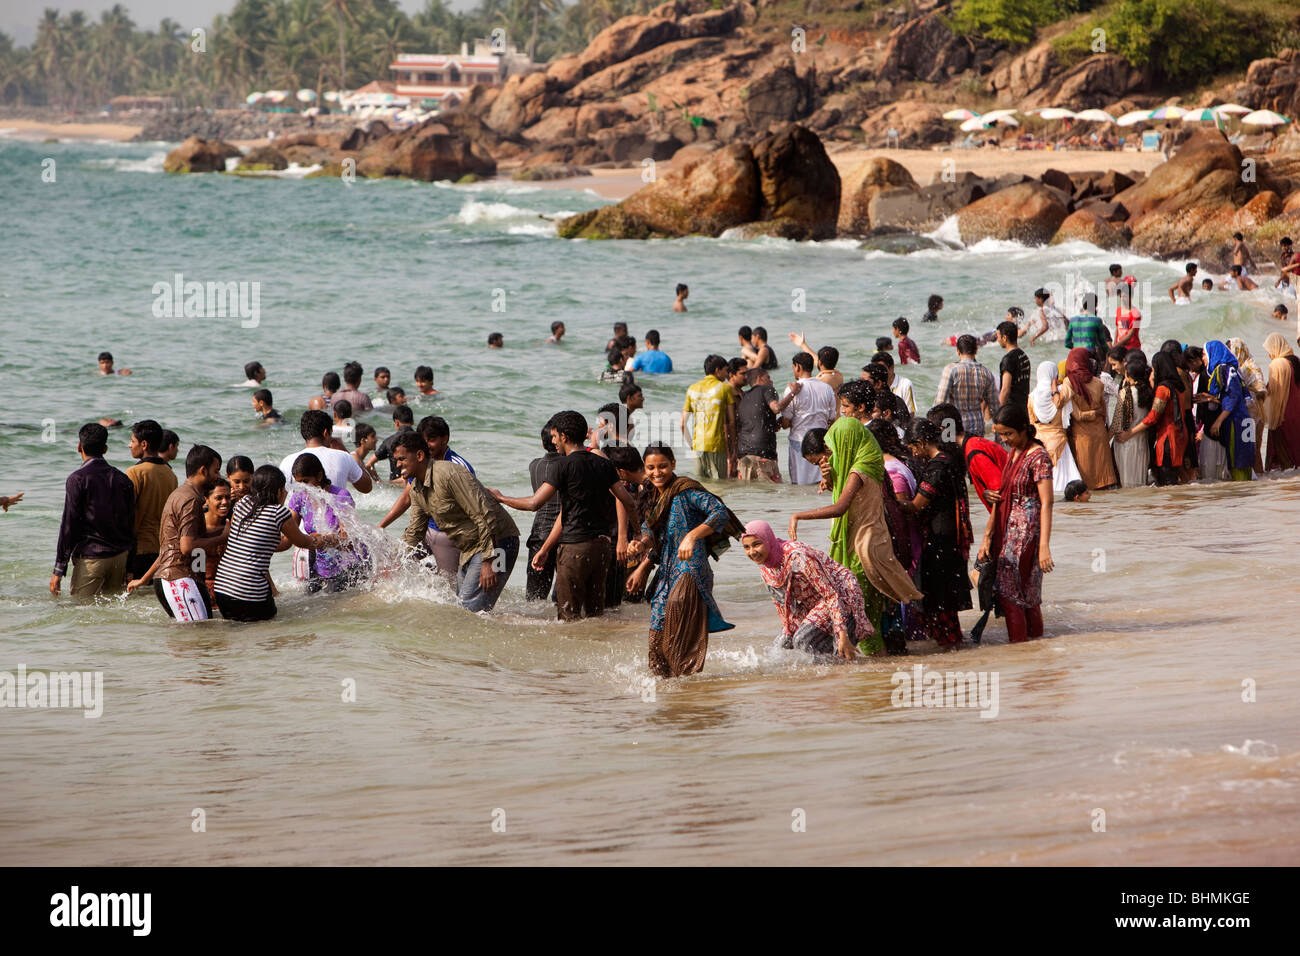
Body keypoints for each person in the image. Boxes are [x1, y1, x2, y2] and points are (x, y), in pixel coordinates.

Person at [789, 419, 923, 653]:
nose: (830, 453)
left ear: (846, 440)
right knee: (868, 615)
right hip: (866, 542)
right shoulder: (864, 461)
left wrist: (798, 516)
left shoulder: (859, 470)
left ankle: (874, 669)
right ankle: (879, 662)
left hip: (865, 546)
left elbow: (840, 507)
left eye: (832, 447)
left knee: (862, 617)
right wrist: (830, 477)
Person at [493, 411, 637, 621]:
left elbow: (535, 503)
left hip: (574, 549)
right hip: (602, 547)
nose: (553, 441)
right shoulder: (603, 463)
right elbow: (627, 501)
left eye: (554, 436)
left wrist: (502, 498)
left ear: (564, 436)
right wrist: (638, 533)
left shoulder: (562, 466)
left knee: (568, 617)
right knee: (595, 614)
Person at [626, 443, 741, 677]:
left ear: (673, 465)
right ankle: (667, 697)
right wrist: (640, 545)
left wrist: (692, 535)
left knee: (678, 639)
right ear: (645, 469)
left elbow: (719, 511)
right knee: (656, 643)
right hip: (666, 574)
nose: (657, 472)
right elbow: (650, 535)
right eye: (651, 468)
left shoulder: (686, 491)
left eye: (663, 466)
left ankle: (689, 698)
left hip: (691, 571)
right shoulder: (650, 497)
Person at [212, 466, 338, 621]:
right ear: (278, 491)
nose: (286, 493)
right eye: (284, 489)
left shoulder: (241, 504)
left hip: (222, 590)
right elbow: (302, 542)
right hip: (250, 595)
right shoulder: (278, 513)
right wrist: (324, 539)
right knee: (270, 632)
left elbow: (258, 543)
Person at [979, 404, 1054, 643]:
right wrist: (987, 536)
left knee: (1013, 596)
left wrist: (1044, 546)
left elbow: (1047, 502)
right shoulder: (1013, 453)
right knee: (1024, 595)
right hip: (1008, 531)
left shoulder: (1038, 457)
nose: (1005, 439)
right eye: (1001, 434)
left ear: (1024, 429)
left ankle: (1019, 649)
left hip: (1027, 536)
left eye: (1009, 434)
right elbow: (1003, 494)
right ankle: (1034, 651)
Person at [742, 520, 870, 660]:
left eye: (756, 544)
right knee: (780, 645)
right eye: (746, 547)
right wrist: (788, 630)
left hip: (841, 595)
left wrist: (842, 634)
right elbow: (781, 605)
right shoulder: (766, 567)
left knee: (802, 640)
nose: (752, 552)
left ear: (768, 540)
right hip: (812, 601)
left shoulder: (798, 556)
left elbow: (831, 594)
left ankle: (832, 667)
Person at [896, 418, 973, 649]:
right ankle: (952, 642)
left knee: (932, 596)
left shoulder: (937, 467)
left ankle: (950, 644)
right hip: (950, 538)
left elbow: (915, 506)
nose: (911, 453)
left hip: (940, 539)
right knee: (943, 597)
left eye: (911, 448)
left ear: (919, 443)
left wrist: (890, 498)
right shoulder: (949, 460)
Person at [127, 445, 227, 620]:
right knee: (199, 638)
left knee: (194, 642)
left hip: (172, 579)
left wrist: (144, 579)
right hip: (179, 580)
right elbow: (187, 547)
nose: (218, 476)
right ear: (203, 470)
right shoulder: (191, 500)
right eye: (216, 471)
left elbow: (170, 547)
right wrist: (222, 538)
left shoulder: (180, 494)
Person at [51, 422, 135, 599]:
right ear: (105, 448)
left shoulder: (77, 479)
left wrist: (59, 568)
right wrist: (131, 565)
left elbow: (69, 524)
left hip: (92, 558)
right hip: (120, 557)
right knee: (113, 614)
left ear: (79, 447)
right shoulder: (123, 479)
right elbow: (130, 523)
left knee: (82, 614)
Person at [287, 453, 366, 593]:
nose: (303, 487)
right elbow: (288, 533)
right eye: (299, 483)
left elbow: (348, 541)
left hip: (347, 567)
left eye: (305, 481)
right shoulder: (299, 497)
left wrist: (326, 539)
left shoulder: (340, 497)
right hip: (319, 567)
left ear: (319, 476)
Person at [1116, 351, 1187, 486]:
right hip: (1180, 433)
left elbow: (1153, 417)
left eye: (1154, 368)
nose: (1152, 372)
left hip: (1168, 436)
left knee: (1167, 479)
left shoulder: (1163, 389)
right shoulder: (1178, 386)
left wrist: (1130, 433)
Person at [927, 403, 1007, 513]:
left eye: (934, 435)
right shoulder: (972, 443)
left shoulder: (974, 452)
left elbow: (1000, 495)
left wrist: (991, 528)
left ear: (944, 431)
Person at [124, 419, 178, 580]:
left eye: (133, 441)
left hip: (139, 549)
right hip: (161, 549)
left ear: (144, 444)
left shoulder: (135, 473)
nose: (130, 445)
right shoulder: (170, 474)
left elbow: (127, 515)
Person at [1059, 347, 1119, 491]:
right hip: (1099, 434)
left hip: (1082, 436)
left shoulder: (1069, 382)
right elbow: (1104, 413)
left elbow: (1076, 415)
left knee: (1087, 484)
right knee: (1104, 480)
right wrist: (1095, 413)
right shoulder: (1098, 383)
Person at [279, 410, 373, 495]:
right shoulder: (343, 456)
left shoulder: (287, 461)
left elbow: (280, 498)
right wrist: (344, 450)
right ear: (326, 433)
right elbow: (367, 487)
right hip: (336, 513)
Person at [521, 424, 564, 602]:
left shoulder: (534, 465)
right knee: (563, 596)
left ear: (542, 444)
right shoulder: (568, 465)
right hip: (564, 533)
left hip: (539, 533)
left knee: (534, 598)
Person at [1028, 361, 1084, 497]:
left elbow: (1031, 423)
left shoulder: (1032, 397)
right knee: (1063, 481)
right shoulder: (1060, 393)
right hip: (1059, 442)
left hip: (1039, 444)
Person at [779, 353, 836, 485]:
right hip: (822, 443)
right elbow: (832, 419)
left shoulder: (792, 389)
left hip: (799, 442)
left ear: (797, 367)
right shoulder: (826, 388)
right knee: (822, 482)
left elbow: (786, 423)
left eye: (793, 367)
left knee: (798, 484)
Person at [1204, 340, 1257, 481]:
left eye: (1204, 354)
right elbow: (1235, 396)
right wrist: (1211, 399)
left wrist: (1218, 422)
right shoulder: (1234, 370)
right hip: (1245, 419)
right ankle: (1249, 495)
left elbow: (1232, 399)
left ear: (1213, 353)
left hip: (1236, 422)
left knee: (1237, 460)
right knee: (1246, 459)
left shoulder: (1224, 370)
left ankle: (1242, 497)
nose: (1203, 358)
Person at [681, 355, 737, 481]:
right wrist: (734, 449)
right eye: (725, 371)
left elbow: (682, 424)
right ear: (718, 370)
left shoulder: (692, 389)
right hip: (716, 445)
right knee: (719, 486)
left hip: (698, 445)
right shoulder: (724, 388)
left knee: (701, 485)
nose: (727, 375)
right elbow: (732, 421)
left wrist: (691, 445)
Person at [936, 334, 997, 437]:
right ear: (976, 350)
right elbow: (995, 408)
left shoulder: (950, 370)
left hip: (953, 427)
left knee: (954, 453)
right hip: (977, 427)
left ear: (958, 351)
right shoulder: (986, 372)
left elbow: (939, 403)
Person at [1109, 351, 1153, 487]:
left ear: (1128, 375)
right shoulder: (1148, 392)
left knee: (1128, 483)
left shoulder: (1125, 393)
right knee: (1140, 480)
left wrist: (1104, 440)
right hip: (1141, 440)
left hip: (1125, 442)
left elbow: (1116, 422)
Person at [736, 367, 783, 482]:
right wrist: (793, 393)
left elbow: (750, 423)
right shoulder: (767, 389)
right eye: (768, 377)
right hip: (763, 456)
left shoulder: (744, 397)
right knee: (771, 494)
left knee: (750, 496)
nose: (771, 381)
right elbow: (776, 408)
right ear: (759, 378)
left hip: (744, 456)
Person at [1262, 333, 1300, 470]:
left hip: (1283, 414)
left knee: (1283, 452)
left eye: (1269, 350)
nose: (1269, 354)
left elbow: (1274, 390)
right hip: (1297, 412)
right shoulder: (1295, 361)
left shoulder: (1278, 364)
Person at [200, 477, 231, 600]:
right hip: (202, 591)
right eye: (219, 498)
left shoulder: (231, 525)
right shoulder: (197, 527)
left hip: (226, 590)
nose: (224, 502)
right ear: (206, 500)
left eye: (228, 497)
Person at [368, 404, 416, 481]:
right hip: (416, 486)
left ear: (396, 422)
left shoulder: (389, 441)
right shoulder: (420, 439)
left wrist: (380, 482)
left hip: (395, 488)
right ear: (412, 421)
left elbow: (369, 464)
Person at [996, 321, 1031, 411]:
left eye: (998, 336)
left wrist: (998, 414)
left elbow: (1005, 390)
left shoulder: (1008, 359)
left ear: (1004, 338)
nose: (997, 340)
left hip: (1011, 412)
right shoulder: (1024, 356)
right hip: (1023, 408)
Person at [1113, 278, 1143, 350]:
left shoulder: (1136, 313)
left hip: (1132, 347)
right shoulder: (1119, 310)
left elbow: (1131, 334)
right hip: (1120, 346)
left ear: (1131, 296)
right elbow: (1117, 328)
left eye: (1125, 297)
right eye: (1121, 296)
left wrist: (1116, 345)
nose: (1123, 299)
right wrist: (1115, 343)